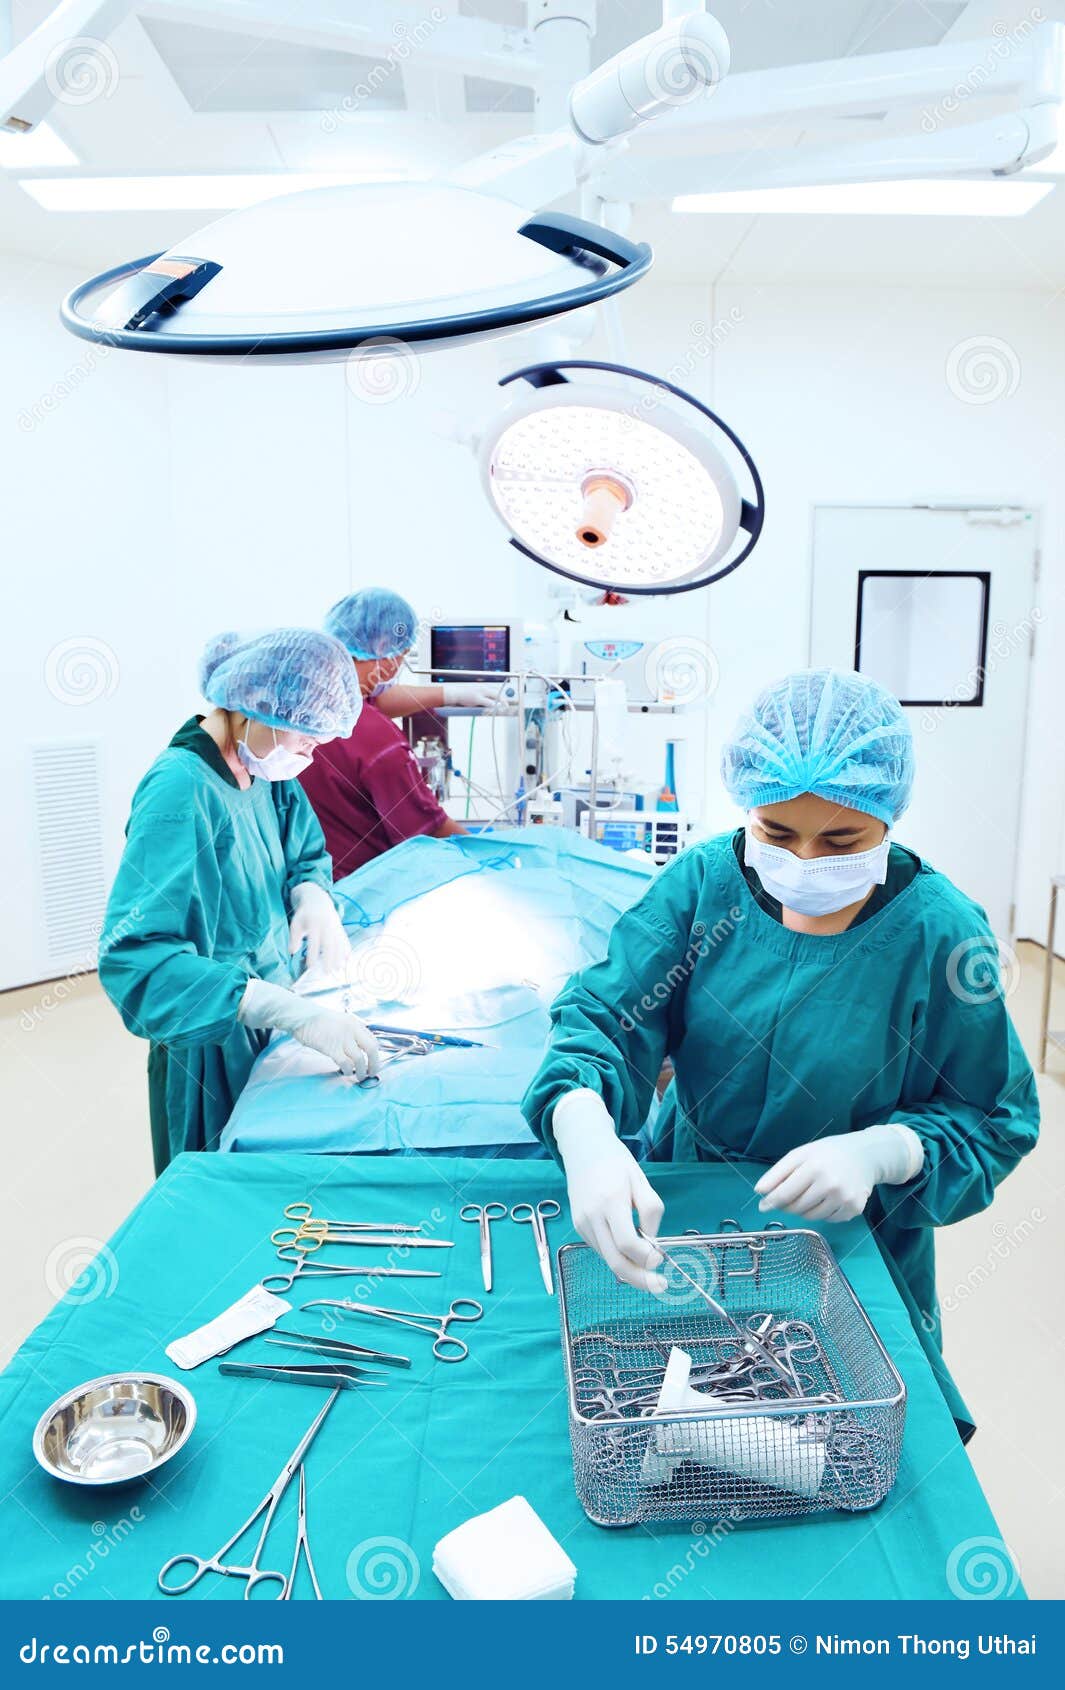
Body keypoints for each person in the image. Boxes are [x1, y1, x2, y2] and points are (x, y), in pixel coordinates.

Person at [522, 668, 1039, 1435]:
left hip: (848, 1238)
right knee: (661, 1399)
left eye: (840, 841)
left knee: (836, 1428)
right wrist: (584, 1129)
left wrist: (887, 1151)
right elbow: (603, 1018)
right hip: (687, 1200)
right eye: (774, 833)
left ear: (888, 817)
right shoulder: (703, 885)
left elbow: (996, 1119)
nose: (803, 861)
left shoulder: (938, 931)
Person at [99, 628, 381, 1173]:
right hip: (211, 1047)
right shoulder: (179, 792)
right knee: (220, 1204)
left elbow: (305, 849)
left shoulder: (263, 767)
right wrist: (278, 1008)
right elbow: (134, 961)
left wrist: (312, 894)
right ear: (260, 708)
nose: (312, 752)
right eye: (307, 736)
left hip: (273, 1023)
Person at [299, 588, 504, 877]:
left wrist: (450, 693)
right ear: (383, 647)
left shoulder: (304, 703)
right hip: (366, 894)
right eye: (402, 655)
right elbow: (430, 833)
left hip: (316, 882)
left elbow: (376, 699)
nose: (399, 666)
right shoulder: (380, 742)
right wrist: (502, 857)